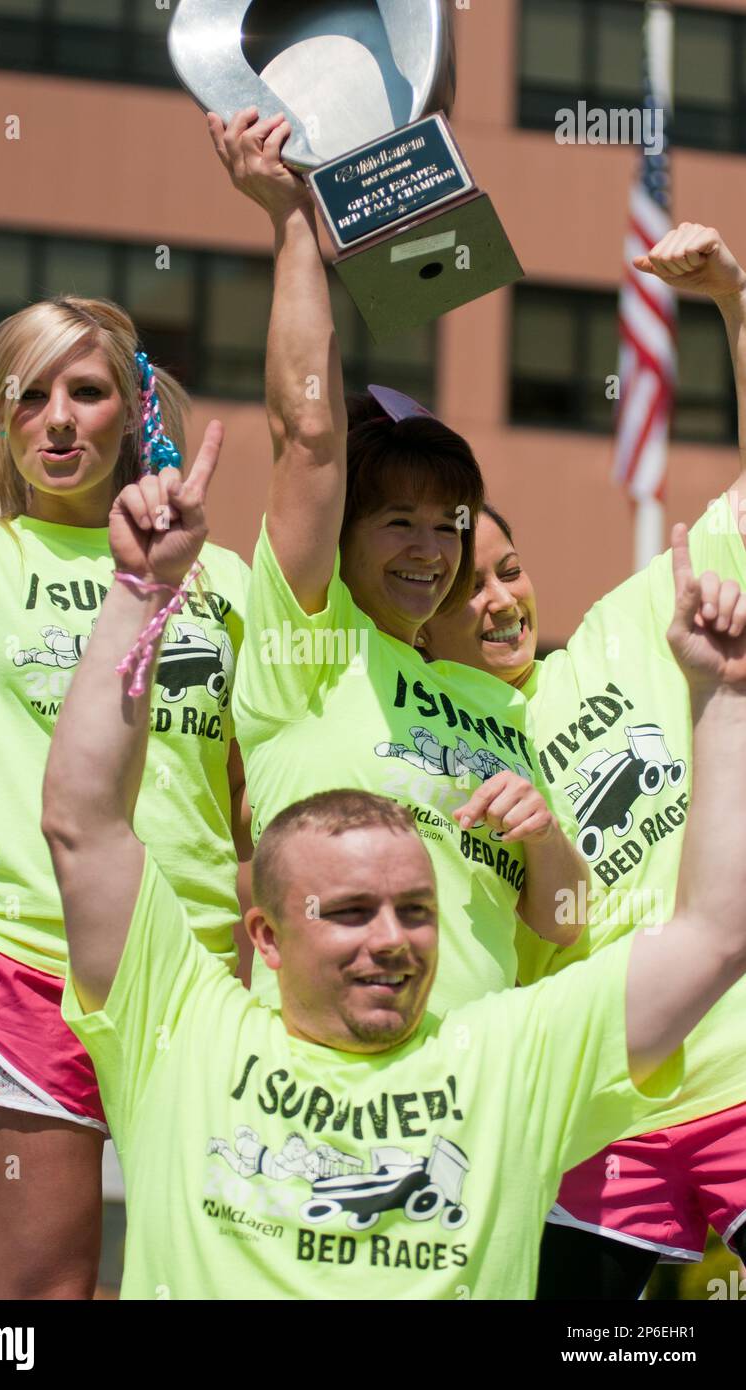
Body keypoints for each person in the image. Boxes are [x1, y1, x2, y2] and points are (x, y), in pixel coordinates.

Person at [47, 437, 746, 1301]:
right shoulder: (186, 1037)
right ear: (263, 936)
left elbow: (711, 930)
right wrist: (139, 592)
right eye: (348, 911)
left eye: (417, 911)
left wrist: (721, 702)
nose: (391, 939)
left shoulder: (502, 1063)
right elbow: (81, 826)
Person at [0, 298, 250, 1298]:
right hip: (16, 968)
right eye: (26, 394)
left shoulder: (222, 578)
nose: (54, 417)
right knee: (44, 1307)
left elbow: (256, 791)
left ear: (132, 414)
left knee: (208, 1281)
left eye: (84, 392)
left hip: (191, 979)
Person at [207, 108, 587, 1018]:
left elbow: (565, 921)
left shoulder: (505, 703)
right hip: (316, 1073)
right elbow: (307, 438)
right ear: (340, 537)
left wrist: (541, 839)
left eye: (448, 523)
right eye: (398, 521)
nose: (430, 547)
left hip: (469, 1093)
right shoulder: (313, 645)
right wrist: (290, 224)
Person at [424, 224, 746, 1295]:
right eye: (465, 588)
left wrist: (730, 304)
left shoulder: (638, 614)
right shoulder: (444, 736)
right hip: (599, 1107)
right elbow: (550, 928)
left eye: (506, 569)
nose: (499, 600)